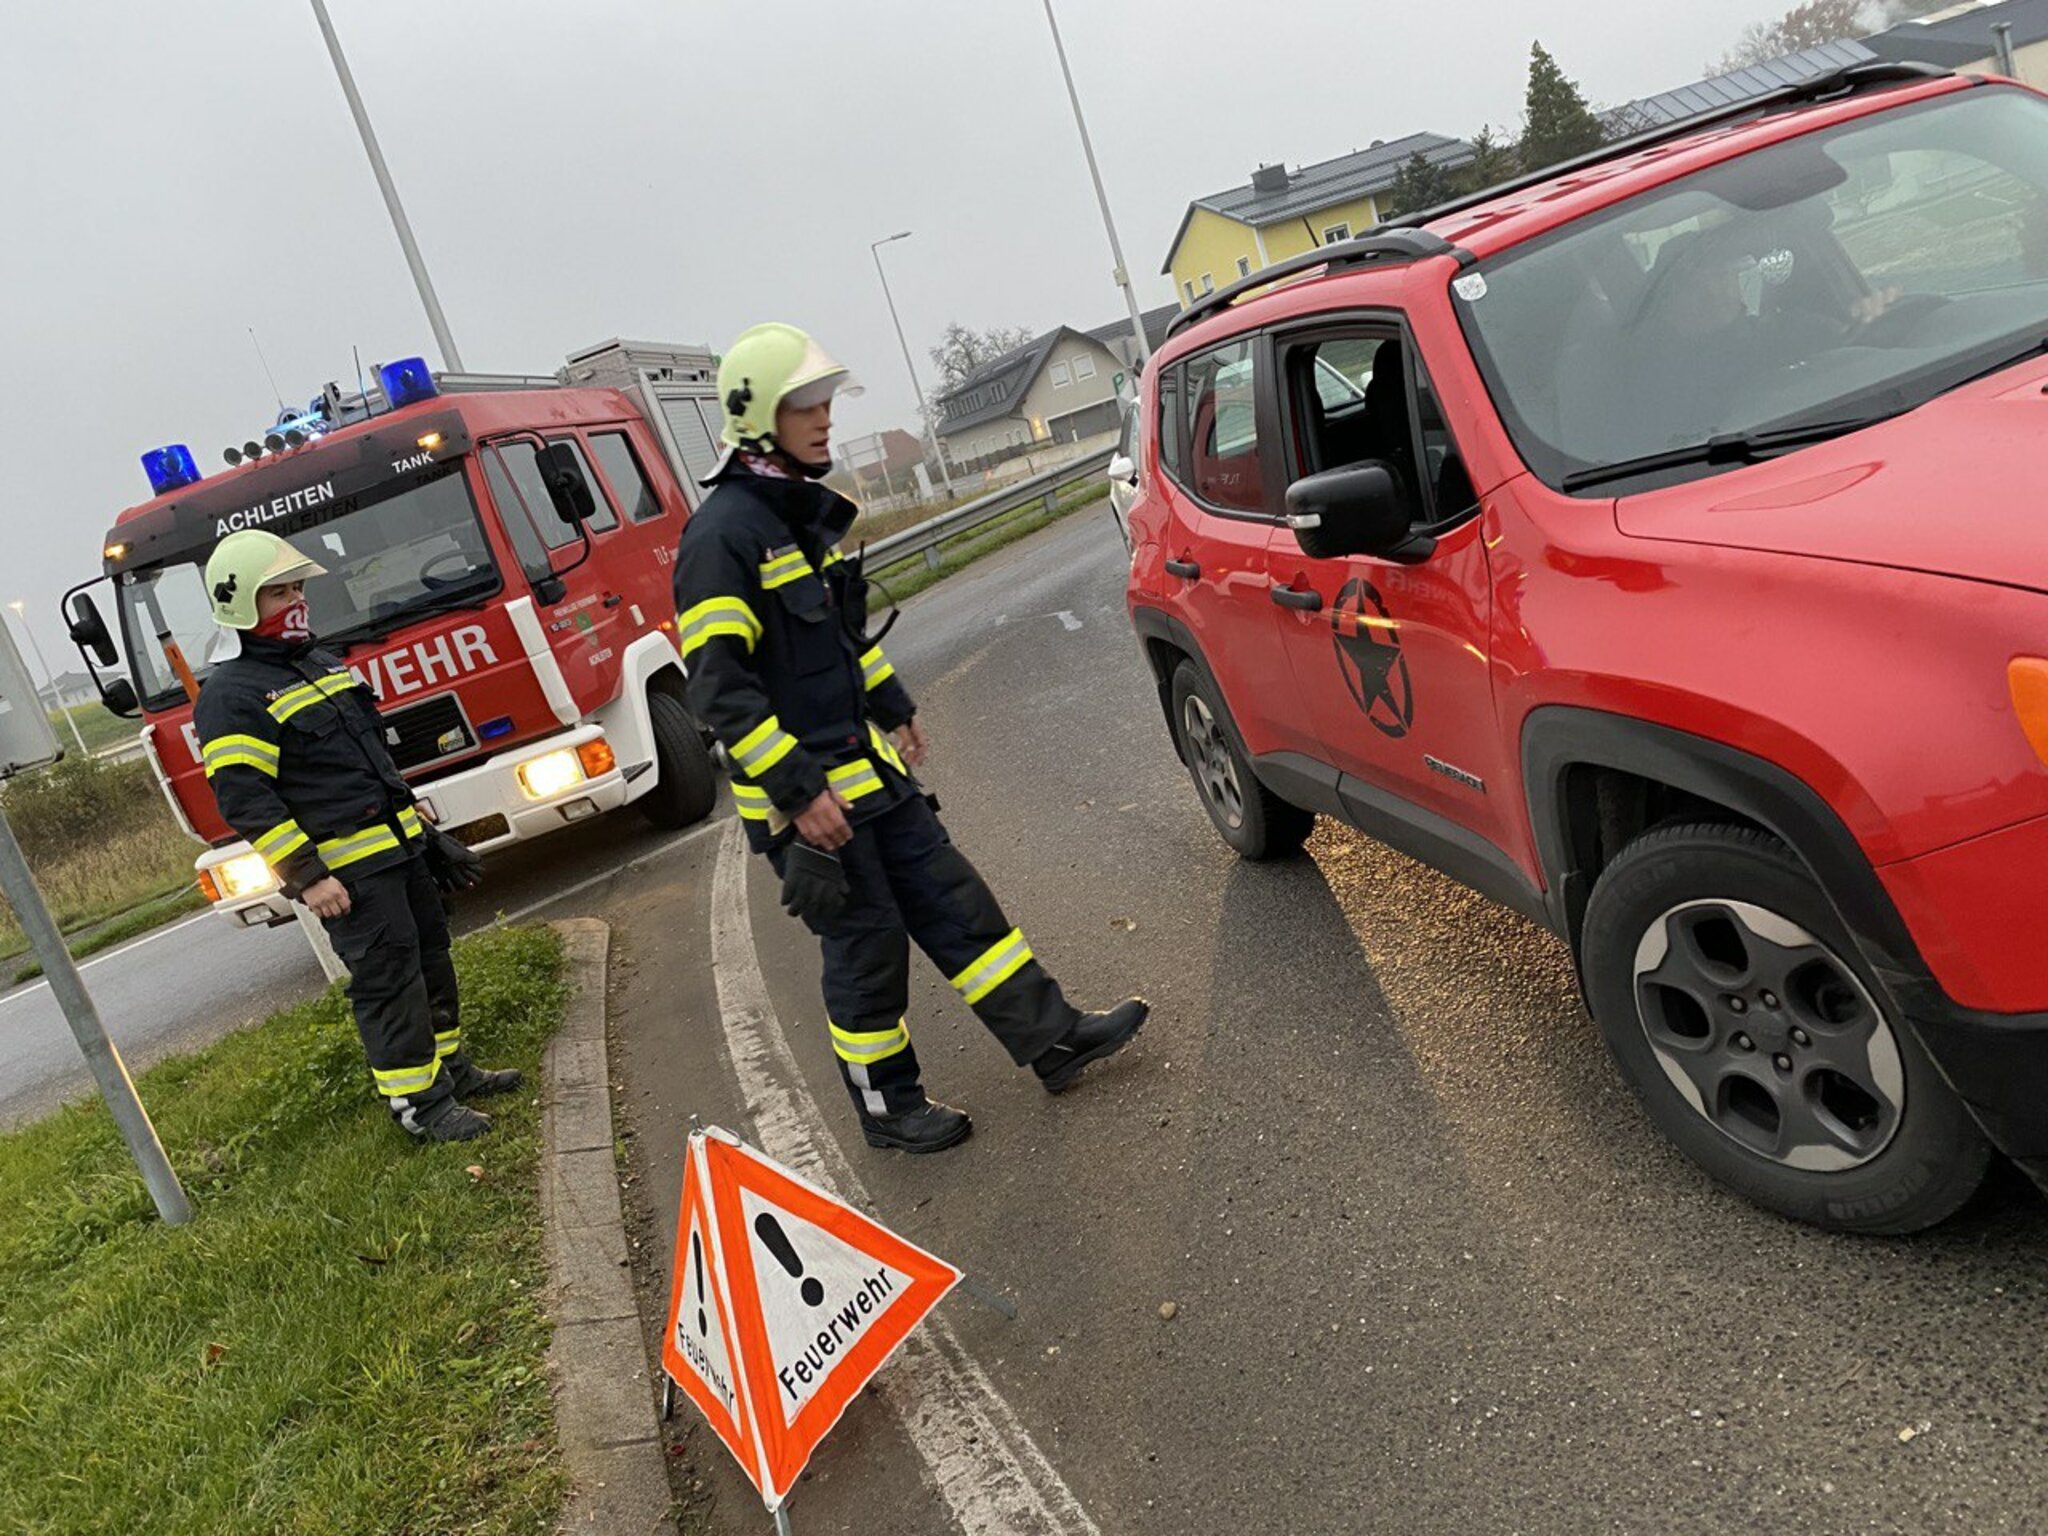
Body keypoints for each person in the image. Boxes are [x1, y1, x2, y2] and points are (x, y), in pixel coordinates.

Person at [673, 322, 1146, 1153]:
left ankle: (1052, 1038)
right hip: (810, 802)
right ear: (756, 417)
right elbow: (719, 686)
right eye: (804, 404)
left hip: (866, 773)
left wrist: (890, 699)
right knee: (868, 950)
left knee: (958, 907)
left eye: (824, 400)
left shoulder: (789, 519)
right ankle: (887, 1109)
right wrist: (798, 792)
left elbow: (832, 643)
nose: (823, 417)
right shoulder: (722, 538)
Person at [193, 529, 518, 1142]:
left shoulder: (318, 663)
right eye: (279, 593)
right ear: (240, 604)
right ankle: (420, 1107)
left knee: (431, 962)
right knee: (389, 985)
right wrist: (307, 877)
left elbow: (369, 757)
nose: (296, 602)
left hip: (400, 852)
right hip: (348, 877)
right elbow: (245, 799)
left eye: (297, 588)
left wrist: (417, 824)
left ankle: (450, 1071)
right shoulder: (230, 696)